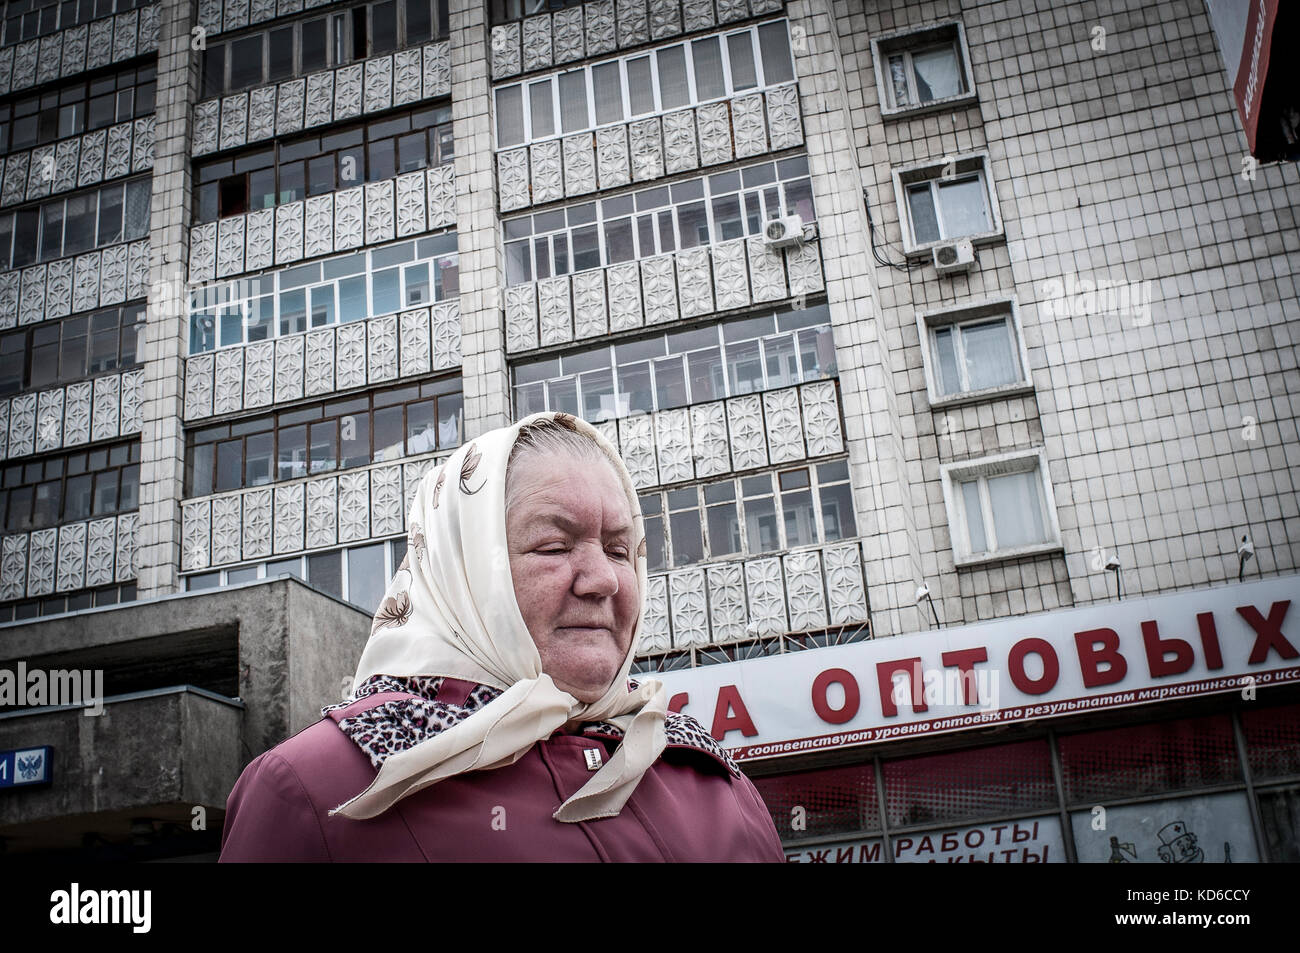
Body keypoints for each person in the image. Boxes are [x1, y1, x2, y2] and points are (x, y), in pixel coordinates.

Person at [219, 411, 785, 861]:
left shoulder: (712, 780)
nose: (605, 580)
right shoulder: (318, 790)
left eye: (619, 549)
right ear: (463, 570)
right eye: (554, 547)